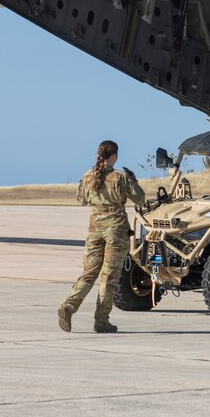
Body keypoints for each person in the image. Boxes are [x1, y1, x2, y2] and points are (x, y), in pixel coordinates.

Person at [58, 140, 146, 333]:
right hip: (115, 231)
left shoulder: (88, 176)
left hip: (94, 229)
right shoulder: (120, 177)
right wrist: (133, 180)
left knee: (88, 274)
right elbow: (140, 199)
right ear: (113, 156)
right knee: (108, 277)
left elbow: (81, 199)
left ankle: (69, 306)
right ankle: (101, 320)